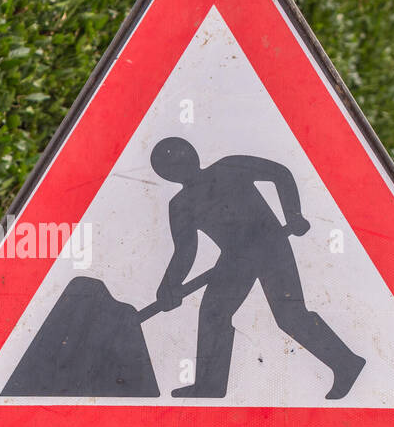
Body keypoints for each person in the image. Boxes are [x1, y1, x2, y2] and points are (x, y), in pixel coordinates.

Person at [151, 137, 365, 399]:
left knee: (289, 313)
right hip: (234, 257)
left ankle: (347, 363)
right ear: (167, 174)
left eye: (182, 158)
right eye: (171, 165)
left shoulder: (228, 167)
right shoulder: (180, 205)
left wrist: (293, 215)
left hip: (269, 243)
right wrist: (169, 285)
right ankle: (210, 385)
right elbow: (185, 251)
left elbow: (279, 173)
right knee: (212, 314)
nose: (180, 166)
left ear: (193, 154)